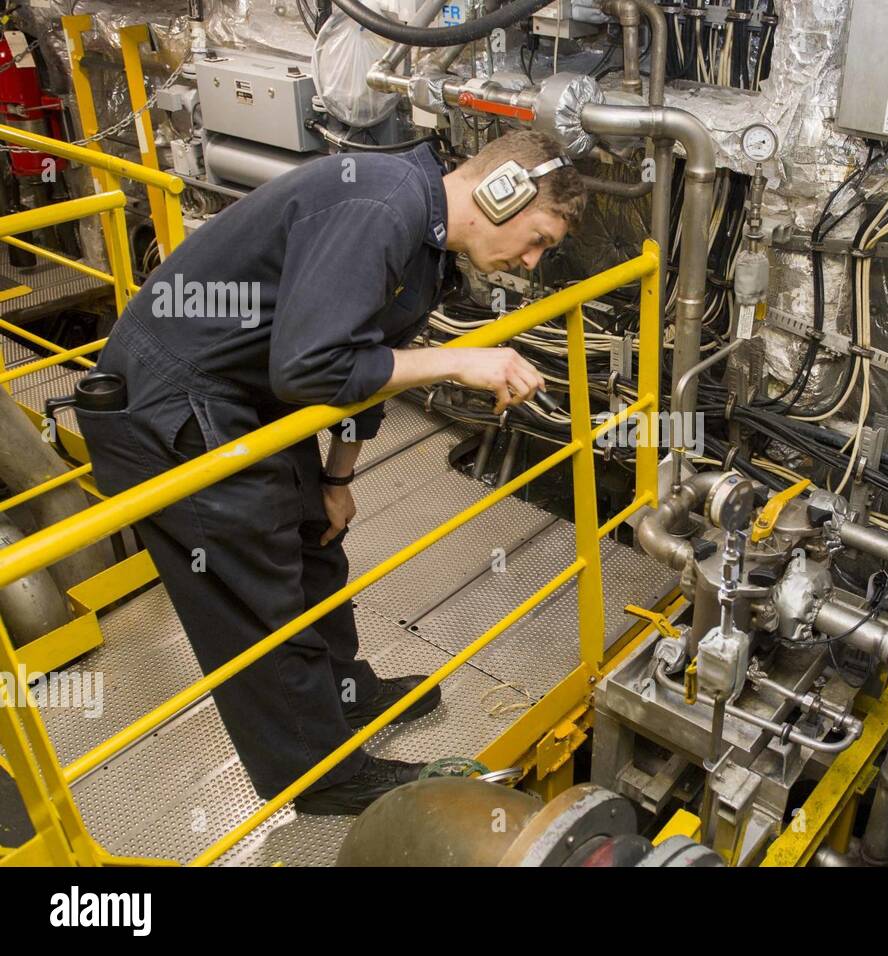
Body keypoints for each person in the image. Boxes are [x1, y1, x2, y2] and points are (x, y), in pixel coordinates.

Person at [77, 130, 587, 815]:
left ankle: (344, 693)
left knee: (315, 537)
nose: (529, 262)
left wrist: (337, 479)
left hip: (245, 394)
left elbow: (368, 361)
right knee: (261, 597)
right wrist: (461, 359)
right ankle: (321, 777)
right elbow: (311, 365)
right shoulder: (382, 207)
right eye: (539, 240)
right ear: (504, 191)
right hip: (172, 402)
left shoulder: (426, 244)